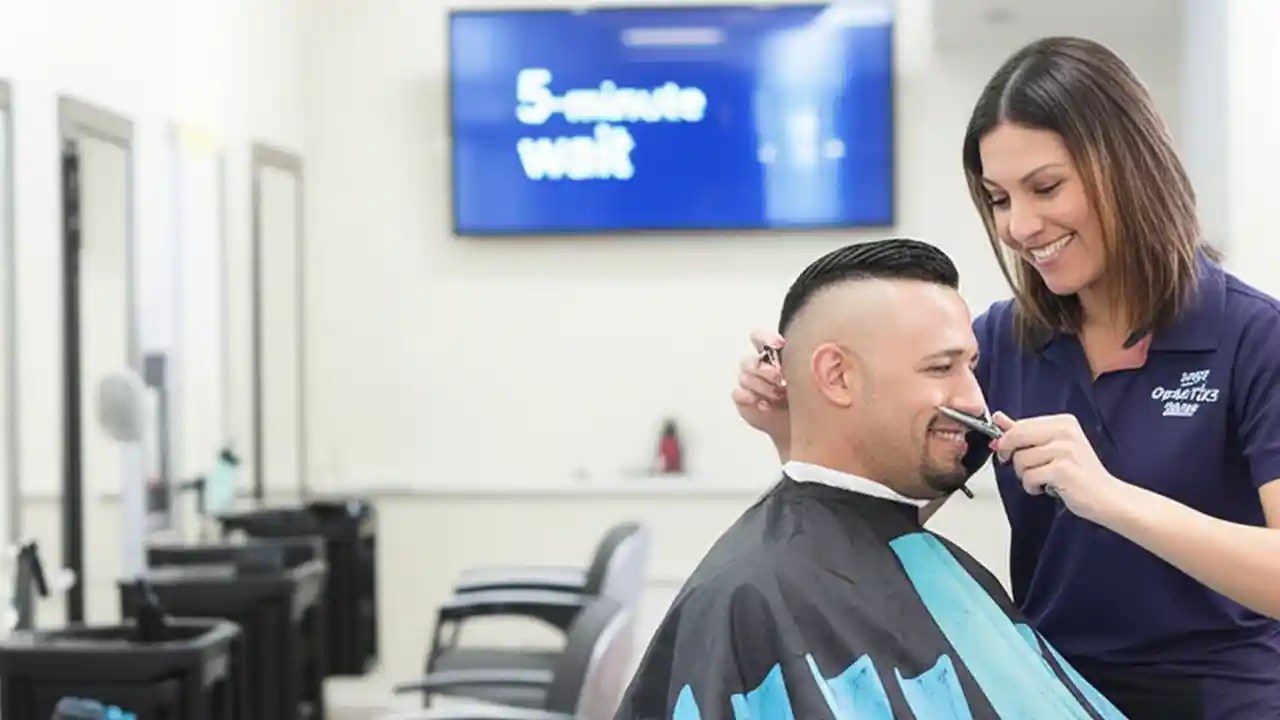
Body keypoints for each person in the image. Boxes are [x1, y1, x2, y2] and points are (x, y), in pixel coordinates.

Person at [732, 36, 1280, 719]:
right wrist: (800, 427)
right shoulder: (999, 343)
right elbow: (880, 520)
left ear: (1130, 168)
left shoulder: (1256, 341)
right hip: (1047, 693)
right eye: (997, 199)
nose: (1020, 226)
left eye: (1046, 187)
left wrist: (1108, 498)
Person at [616, 239, 1126, 719]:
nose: (975, 401)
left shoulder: (925, 560)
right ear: (837, 376)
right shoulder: (746, 598)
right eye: (940, 367)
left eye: (971, 366)